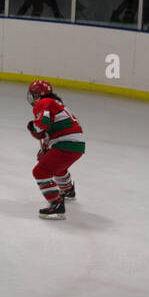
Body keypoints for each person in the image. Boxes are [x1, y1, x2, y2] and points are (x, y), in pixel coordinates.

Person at [26, 80, 85, 220]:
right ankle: (67, 190)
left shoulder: (43, 102)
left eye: (33, 94)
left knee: (40, 172)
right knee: (54, 165)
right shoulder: (56, 104)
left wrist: (33, 127)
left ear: (37, 95)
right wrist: (46, 148)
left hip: (66, 144)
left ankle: (57, 204)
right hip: (76, 144)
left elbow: (42, 126)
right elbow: (51, 130)